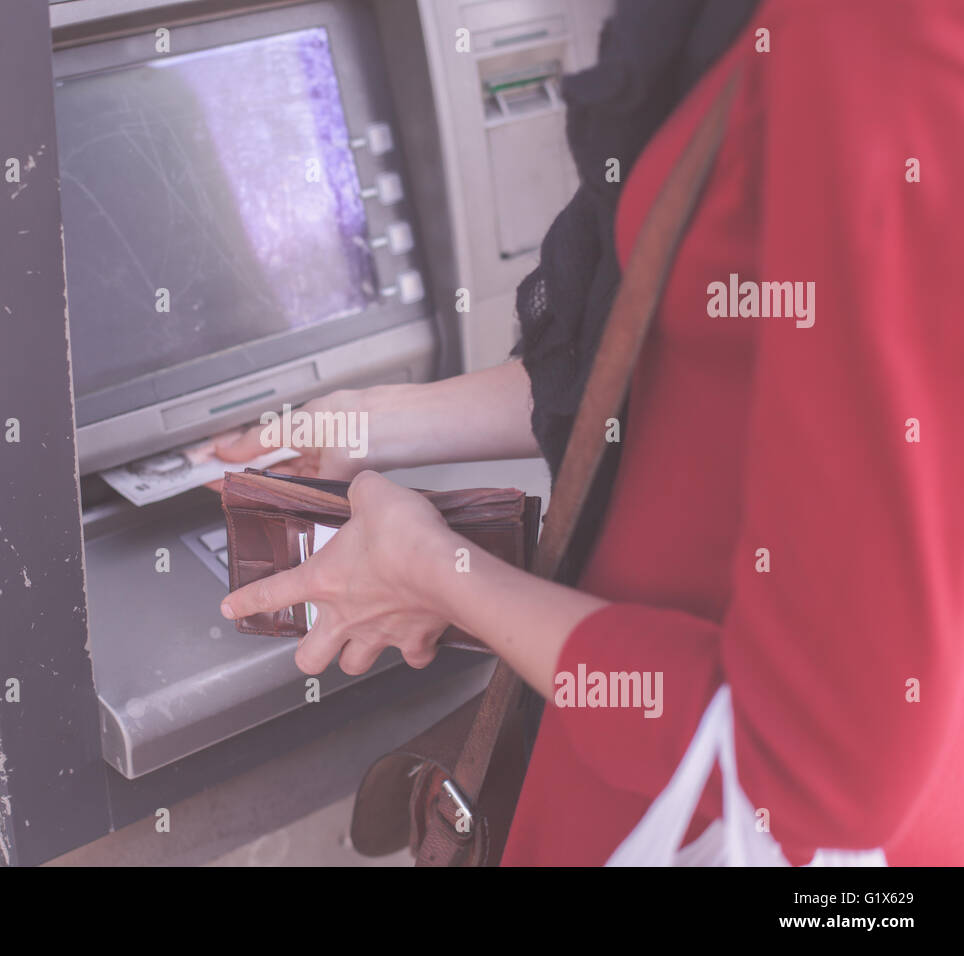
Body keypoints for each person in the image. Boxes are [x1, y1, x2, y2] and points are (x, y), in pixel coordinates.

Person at [213, 0, 964, 865]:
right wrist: (373, 423)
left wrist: (437, 573)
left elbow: (817, 774)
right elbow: (691, 363)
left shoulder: (883, 38)